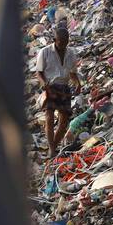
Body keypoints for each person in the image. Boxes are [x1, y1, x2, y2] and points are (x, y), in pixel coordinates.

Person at [35, 22, 81, 159]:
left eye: (66, 42)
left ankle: (53, 147)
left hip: (64, 87)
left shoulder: (71, 53)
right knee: (49, 118)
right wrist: (44, 84)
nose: (64, 45)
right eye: (61, 42)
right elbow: (39, 72)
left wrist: (78, 83)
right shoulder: (45, 52)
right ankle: (51, 149)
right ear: (55, 40)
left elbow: (72, 74)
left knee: (64, 121)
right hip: (50, 86)